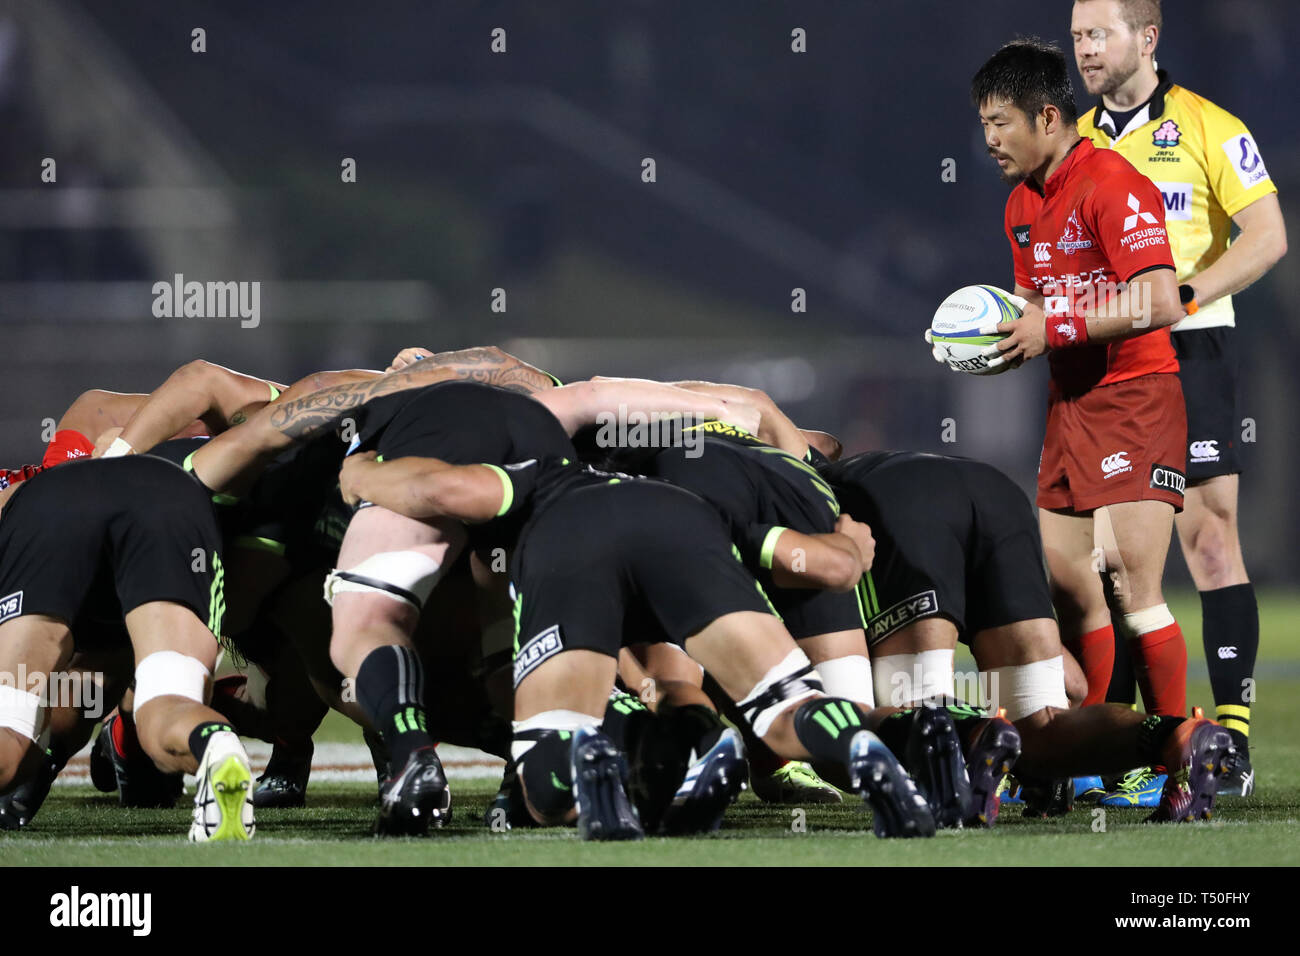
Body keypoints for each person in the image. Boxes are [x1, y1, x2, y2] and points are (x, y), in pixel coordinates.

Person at [1071, 0, 1287, 799]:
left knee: (1209, 540)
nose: (1086, 49)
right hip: (1106, 359)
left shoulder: (1209, 127)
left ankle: (1229, 736)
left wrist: (1185, 296)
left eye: (1100, 34)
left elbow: (1267, 236)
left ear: (1148, 38)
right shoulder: (1073, 140)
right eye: (1078, 36)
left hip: (1192, 349)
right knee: (1111, 562)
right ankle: (1122, 744)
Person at [968, 41, 1191, 751]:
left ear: (1047, 116)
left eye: (1000, 122)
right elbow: (1033, 307)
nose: (988, 139)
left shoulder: (1111, 183)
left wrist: (1054, 326)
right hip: (1069, 407)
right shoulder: (1020, 205)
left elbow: (1160, 300)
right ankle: (1090, 754)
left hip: (1135, 397)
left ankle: (1176, 756)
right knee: (1067, 588)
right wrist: (992, 343)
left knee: (1131, 588)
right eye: (983, 124)